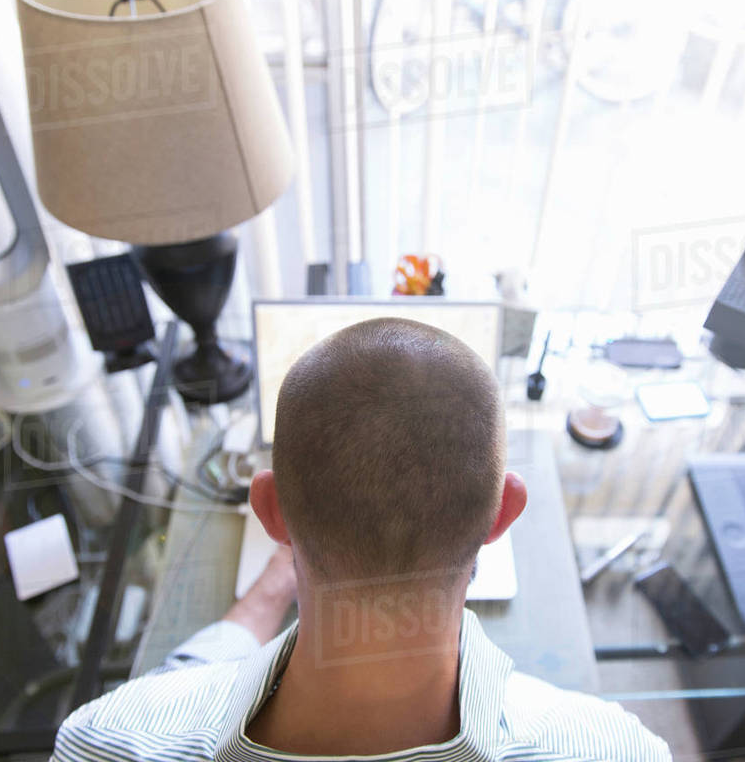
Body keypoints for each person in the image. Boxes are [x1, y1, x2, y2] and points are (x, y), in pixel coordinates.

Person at [51, 318, 671, 762]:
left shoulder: (106, 741)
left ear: (269, 511)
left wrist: (265, 597)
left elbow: (190, 684)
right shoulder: (616, 748)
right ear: (503, 513)